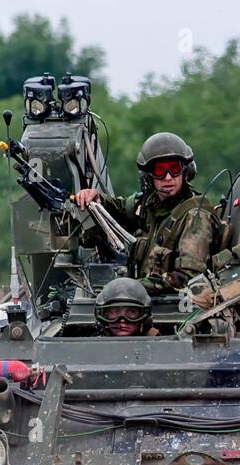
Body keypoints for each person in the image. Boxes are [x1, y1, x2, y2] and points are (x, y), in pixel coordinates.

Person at [75, 132, 220, 294]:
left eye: (174, 169)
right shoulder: (150, 204)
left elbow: (188, 277)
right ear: (148, 176)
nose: (168, 177)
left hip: (175, 303)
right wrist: (96, 197)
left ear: (186, 172)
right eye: (160, 170)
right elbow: (119, 208)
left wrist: (131, 288)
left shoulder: (196, 216)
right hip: (146, 298)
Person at [94, 277, 158, 336]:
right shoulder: (92, 343)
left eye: (131, 312)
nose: (122, 321)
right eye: (114, 312)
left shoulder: (158, 342)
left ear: (143, 317)